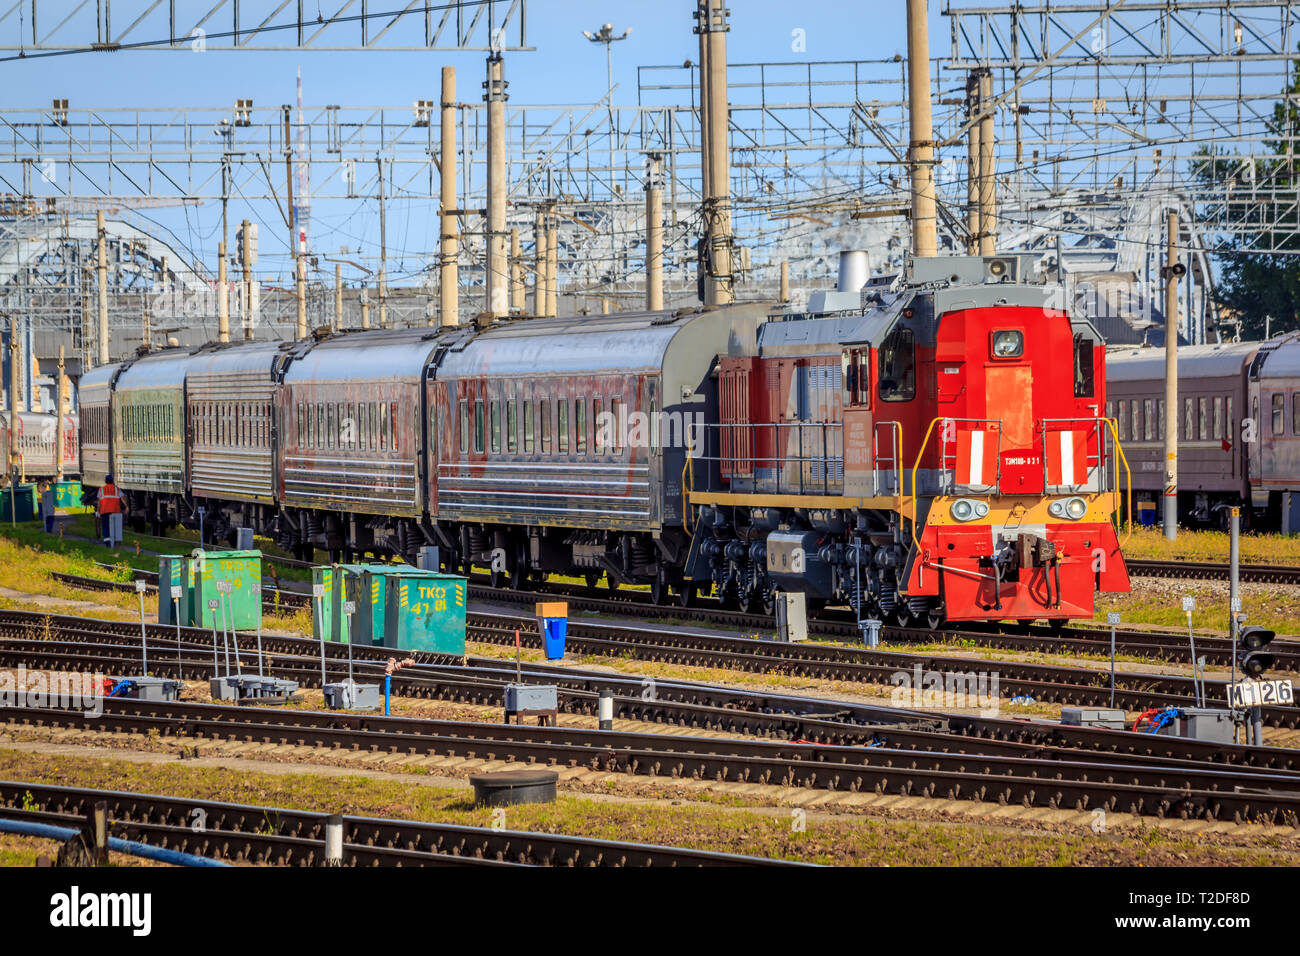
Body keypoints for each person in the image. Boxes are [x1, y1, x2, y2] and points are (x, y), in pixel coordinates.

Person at [97, 474, 125, 547]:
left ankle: (107, 543)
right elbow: (123, 498)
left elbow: (99, 502)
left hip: (105, 511)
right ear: (112, 481)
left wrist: (98, 511)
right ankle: (115, 542)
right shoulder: (117, 489)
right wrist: (127, 506)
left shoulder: (101, 490)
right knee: (116, 527)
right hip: (115, 510)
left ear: (105, 481)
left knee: (105, 527)